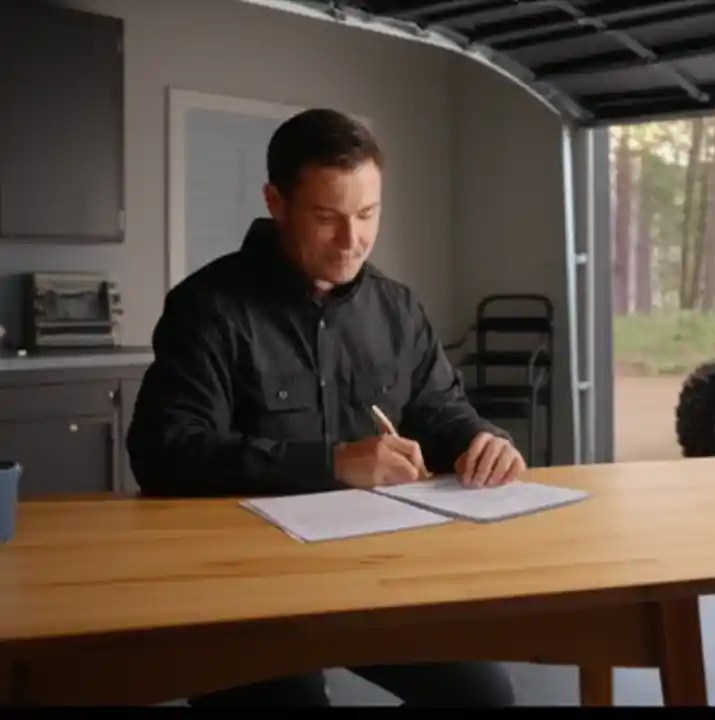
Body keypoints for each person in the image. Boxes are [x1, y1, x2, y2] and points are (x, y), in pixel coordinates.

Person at [127, 108, 525, 707]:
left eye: (367, 215)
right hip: (243, 589)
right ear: (276, 202)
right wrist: (334, 463)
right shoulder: (207, 308)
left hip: (377, 574)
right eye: (326, 218)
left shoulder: (398, 309)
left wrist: (480, 441)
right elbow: (165, 452)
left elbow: (440, 408)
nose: (351, 241)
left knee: (483, 698)